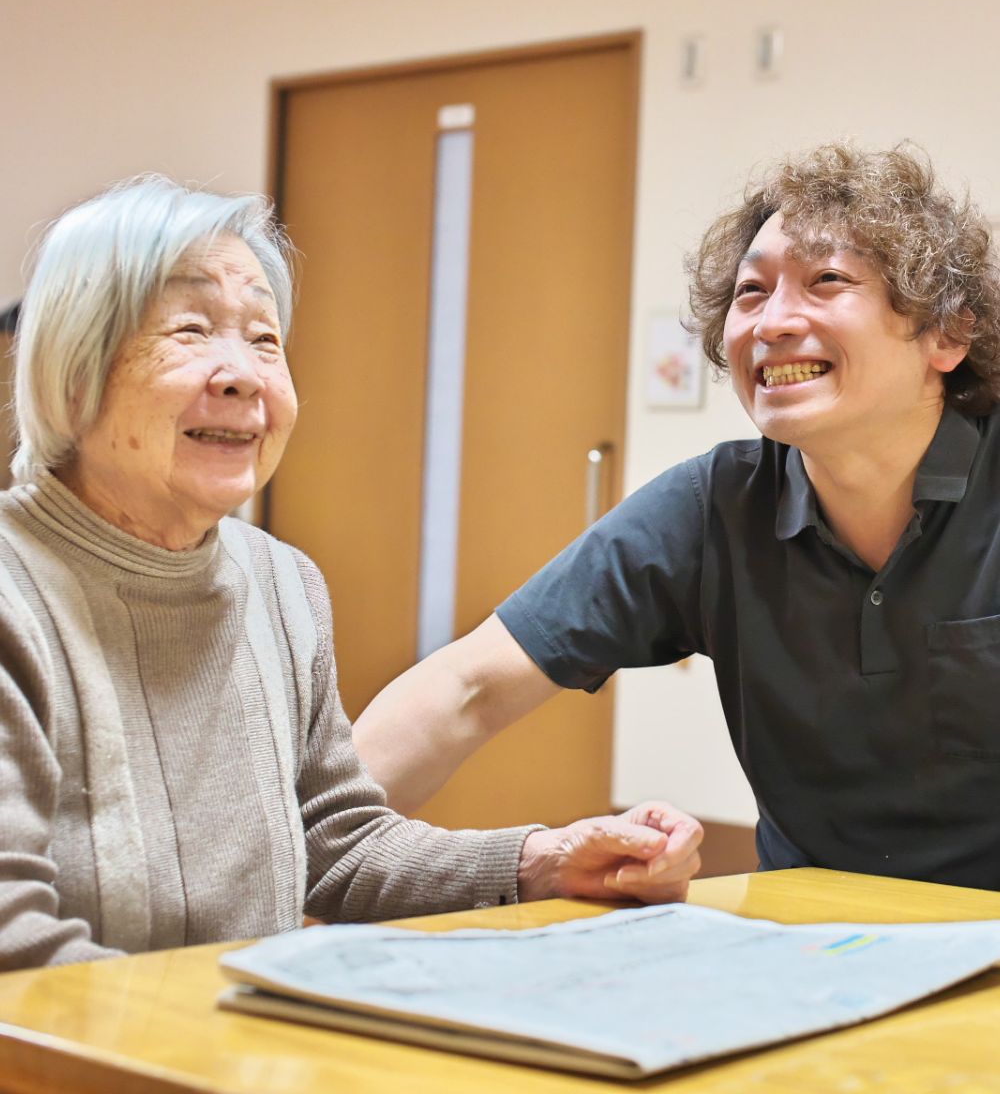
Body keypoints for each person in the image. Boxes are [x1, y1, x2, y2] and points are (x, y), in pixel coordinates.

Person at [0, 176, 703, 972]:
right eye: (190, 331)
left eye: (265, 341)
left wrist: (543, 861)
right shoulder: (15, 593)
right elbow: (13, 945)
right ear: (72, 374)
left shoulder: (280, 586)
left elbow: (337, 843)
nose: (244, 376)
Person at [355, 141, 1000, 892]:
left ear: (947, 335)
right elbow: (470, 688)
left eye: (827, 281)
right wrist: (296, 843)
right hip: (813, 947)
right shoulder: (712, 508)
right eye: (751, 293)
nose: (773, 322)